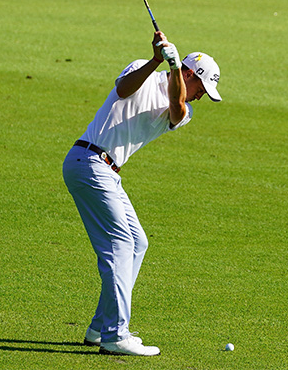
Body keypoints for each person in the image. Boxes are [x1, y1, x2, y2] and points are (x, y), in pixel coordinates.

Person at [62, 30, 222, 356]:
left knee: (138, 242)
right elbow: (123, 89)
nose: (201, 97)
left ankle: (99, 327)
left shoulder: (184, 110)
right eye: (201, 88)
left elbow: (177, 108)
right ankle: (115, 334)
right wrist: (156, 60)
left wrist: (174, 68)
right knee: (119, 243)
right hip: (89, 162)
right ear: (190, 75)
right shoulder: (142, 70)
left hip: (108, 171)